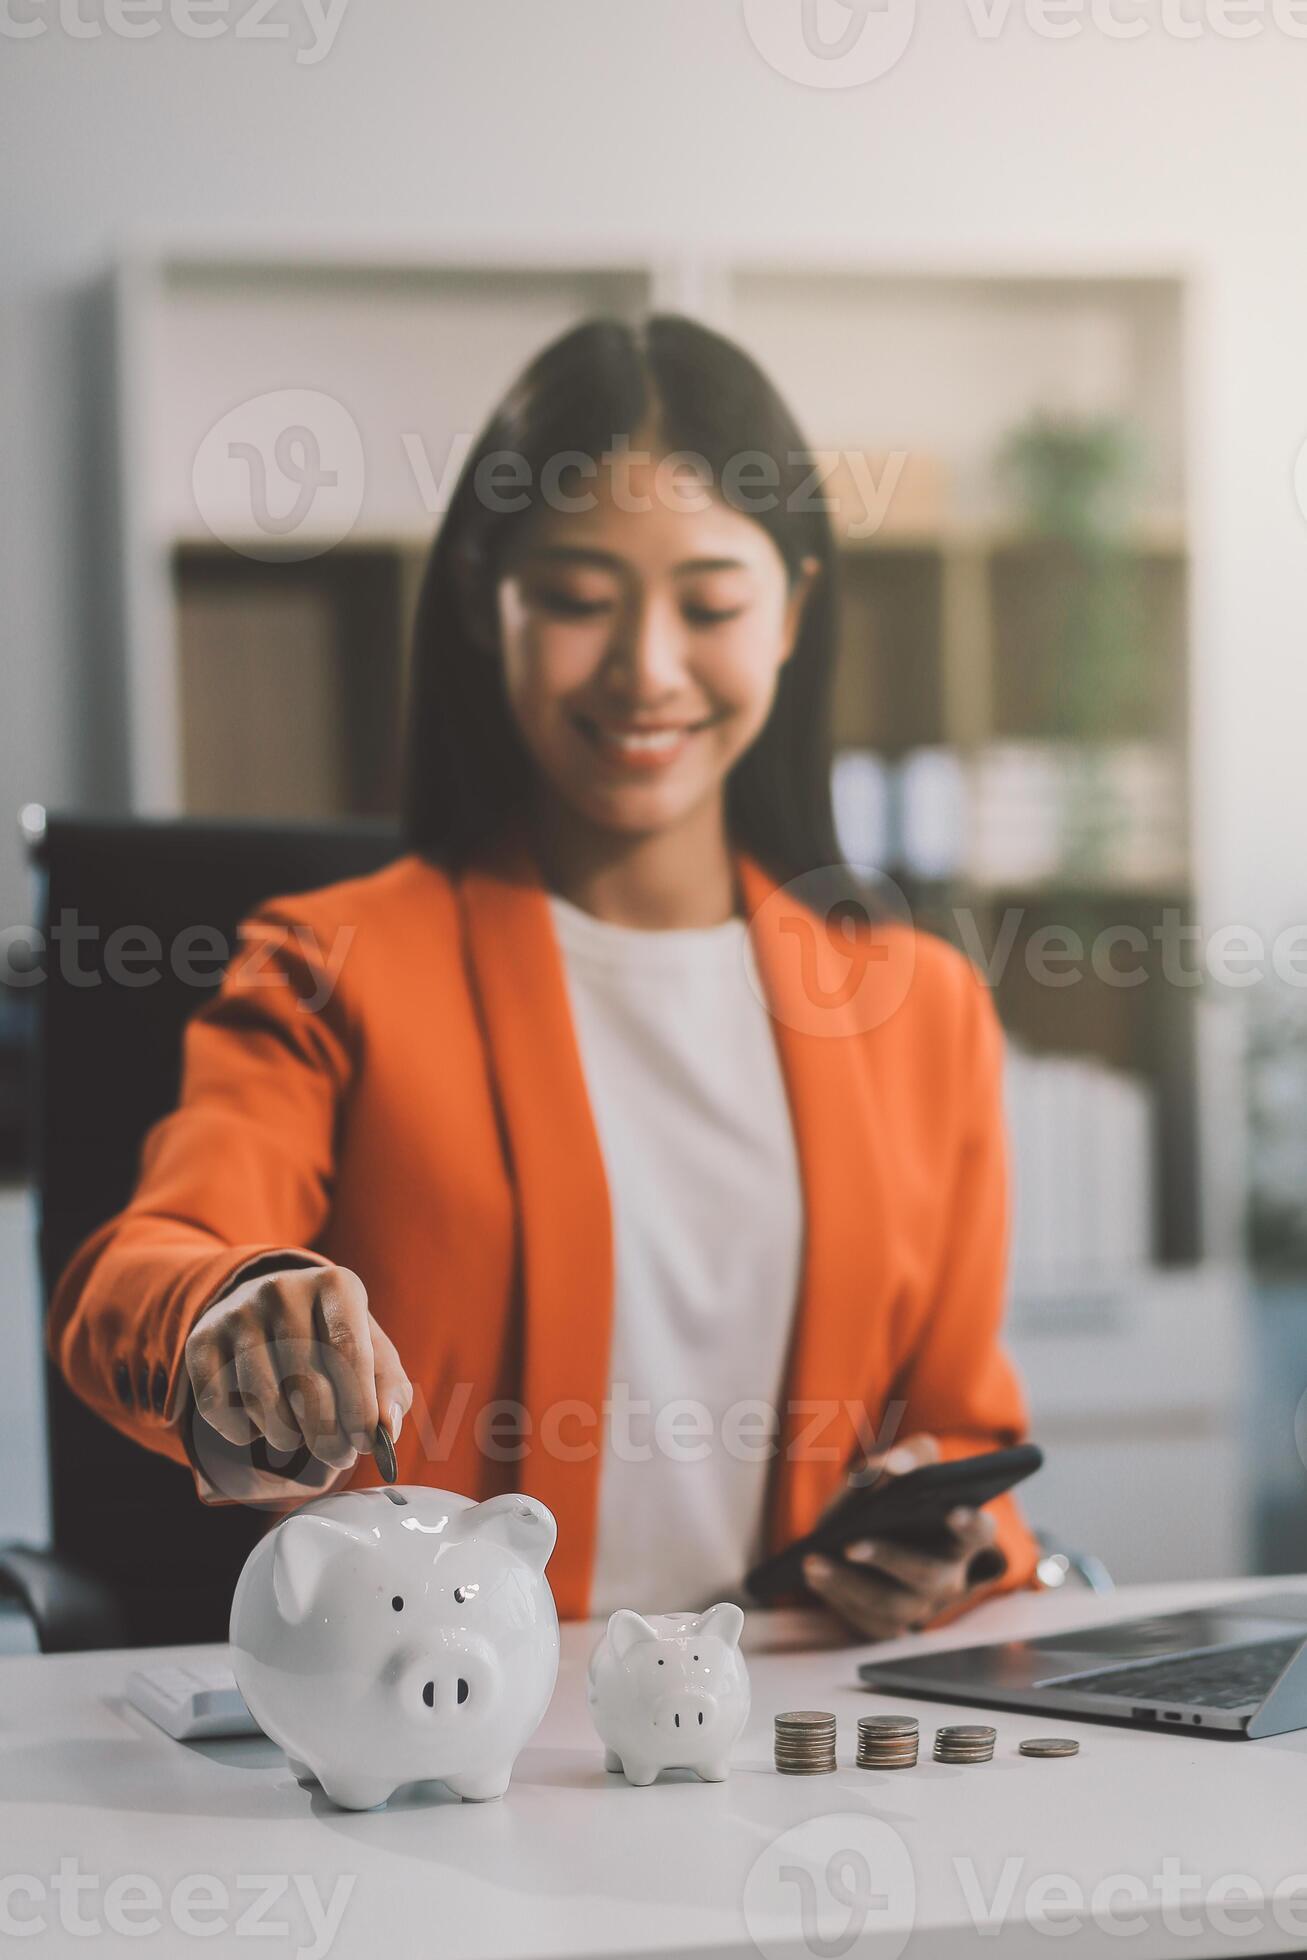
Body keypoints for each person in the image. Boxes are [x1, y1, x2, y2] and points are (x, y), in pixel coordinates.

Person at [49, 313, 1042, 1638]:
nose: (645, 669)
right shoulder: (331, 962)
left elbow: (969, 1436)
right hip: (446, 1744)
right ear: (482, 599)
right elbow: (139, 1270)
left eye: (711, 603)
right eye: (577, 598)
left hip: (796, 1749)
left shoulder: (919, 1010)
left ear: (793, 610)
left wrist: (947, 1538)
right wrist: (230, 1308)